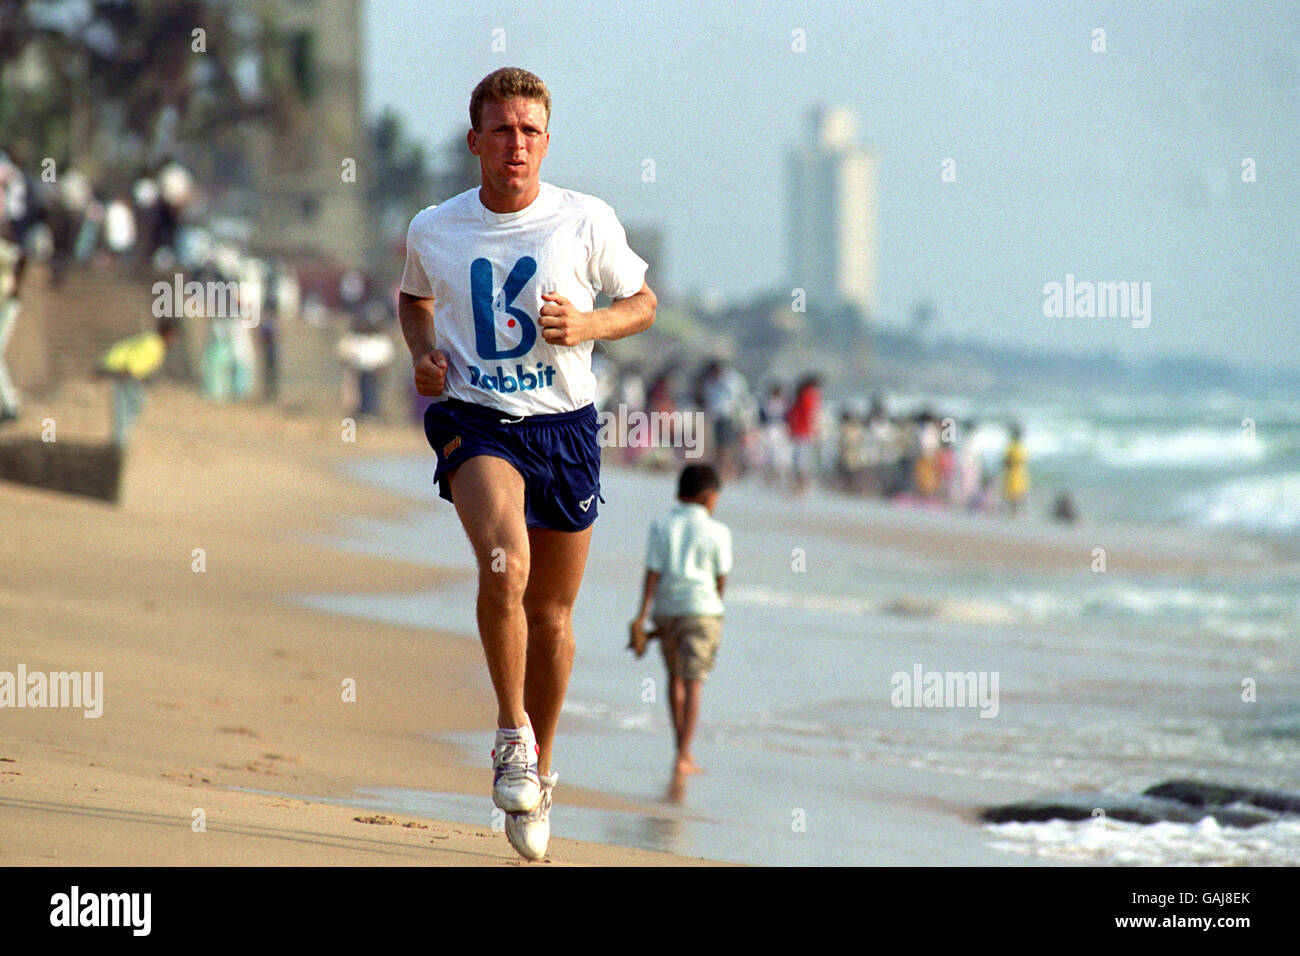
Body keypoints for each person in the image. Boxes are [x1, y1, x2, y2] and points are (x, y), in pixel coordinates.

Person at [397, 68, 656, 860]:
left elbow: (642, 303)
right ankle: (511, 737)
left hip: (566, 431)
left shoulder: (585, 221)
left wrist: (587, 324)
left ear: (548, 140)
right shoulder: (435, 228)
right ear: (475, 140)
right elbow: (414, 299)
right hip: (478, 423)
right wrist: (424, 355)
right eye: (502, 130)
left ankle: (540, 771)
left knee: (551, 618)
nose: (517, 144)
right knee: (503, 567)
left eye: (531, 131)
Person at [631, 464, 732, 778]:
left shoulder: (661, 525)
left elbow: (652, 572)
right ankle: (684, 754)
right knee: (694, 682)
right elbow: (720, 577)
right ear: (707, 497)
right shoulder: (718, 531)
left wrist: (643, 615)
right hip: (703, 611)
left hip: (667, 608)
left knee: (674, 678)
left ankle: (680, 748)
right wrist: (715, 601)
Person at [98, 318, 180, 445]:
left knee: (130, 405)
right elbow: (134, 361)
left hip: (127, 376)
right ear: (168, 333)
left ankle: (120, 439)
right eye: (173, 336)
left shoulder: (152, 341)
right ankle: (119, 441)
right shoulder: (153, 344)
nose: (174, 340)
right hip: (127, 376)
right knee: (129, 405)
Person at [1002, 424, 1030, 514]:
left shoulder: (1011, 446)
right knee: (1018, 490)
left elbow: (1006, 460)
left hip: (1012, 472)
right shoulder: (1022, 447)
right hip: (1021, 471)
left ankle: (1014, 510)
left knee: (1012, 491)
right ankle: (1017, 510)